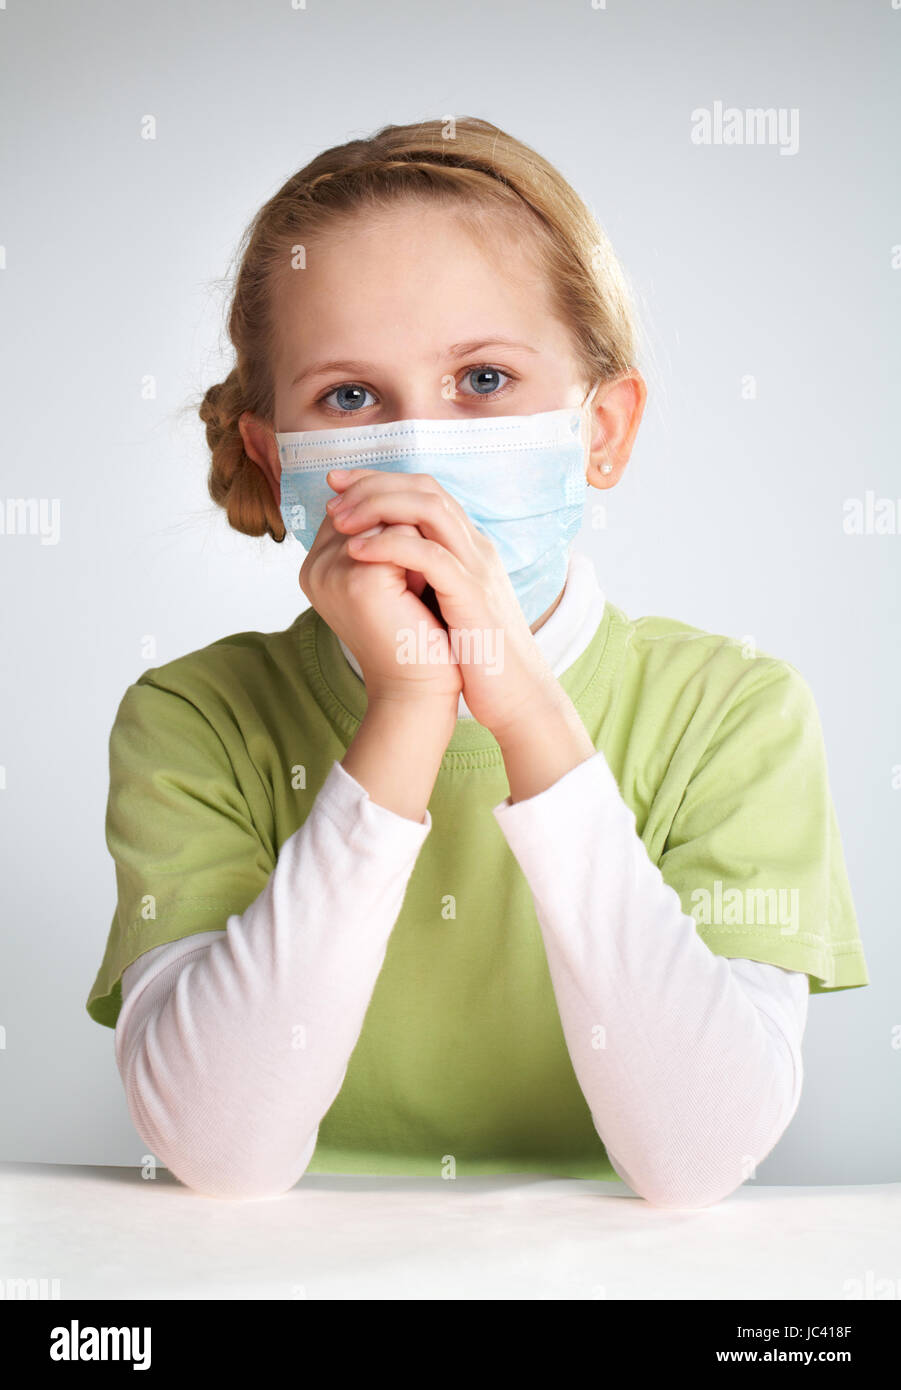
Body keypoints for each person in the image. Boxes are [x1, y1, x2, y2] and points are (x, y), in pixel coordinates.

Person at [85, 116, 869, 1206]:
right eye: (349, 398)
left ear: (603, 429)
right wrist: (407, 706)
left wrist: (528, 716)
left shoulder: (734, 711)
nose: (417, 456)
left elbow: (698, 1161)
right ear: (277, 454)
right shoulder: (194, 717)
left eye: (484, 379)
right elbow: (220, 1153)